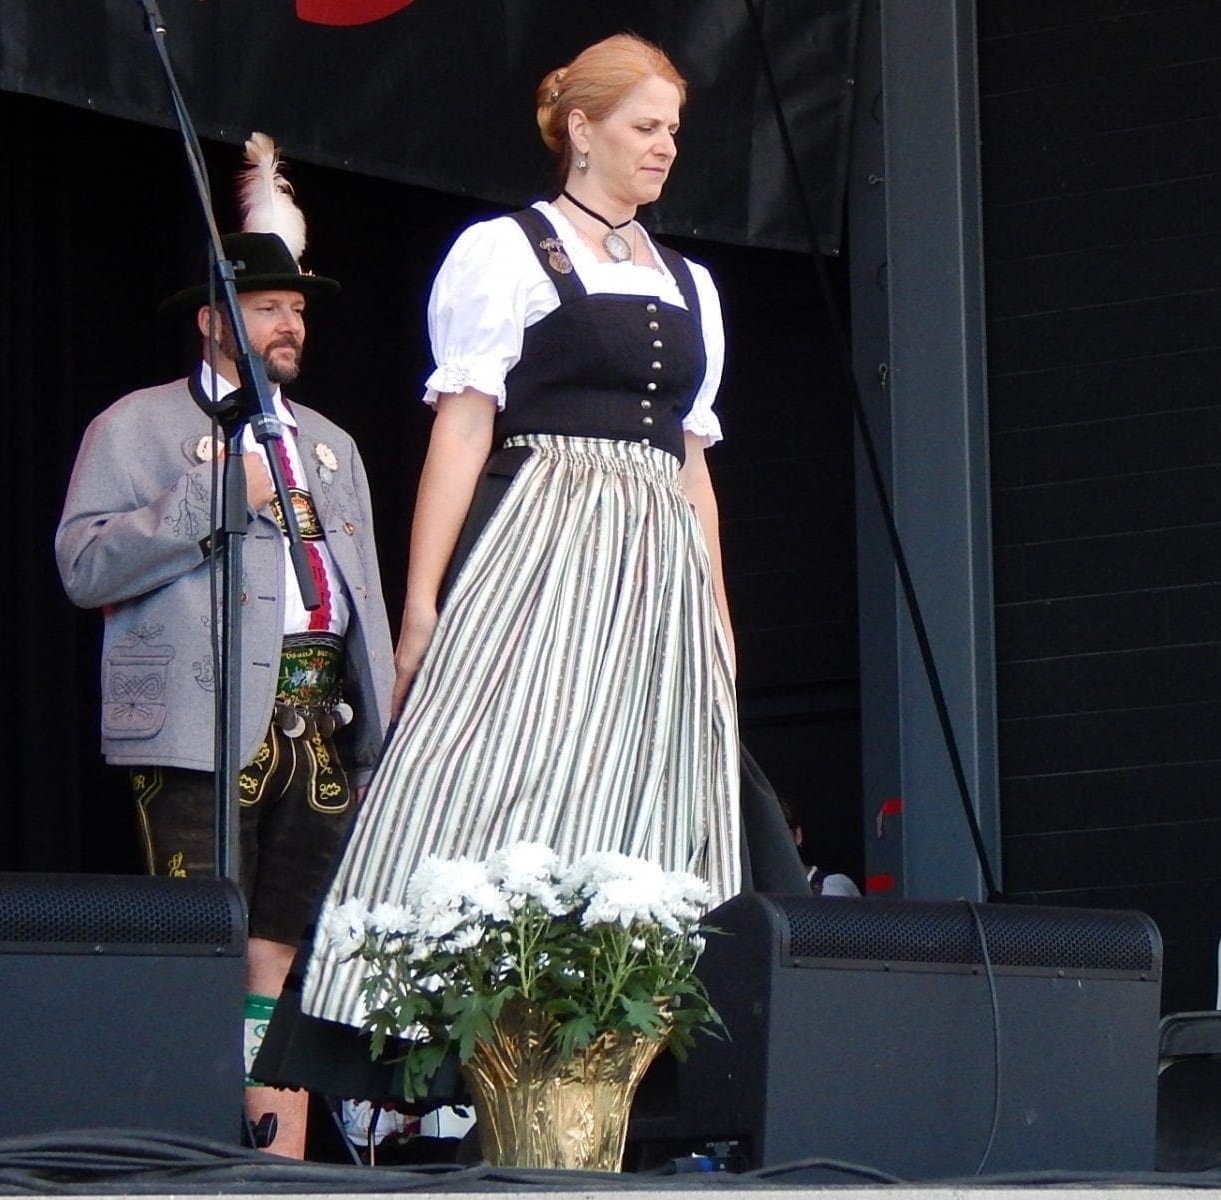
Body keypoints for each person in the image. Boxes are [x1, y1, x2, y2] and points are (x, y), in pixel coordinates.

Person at [264, 32, 740, 1096]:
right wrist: (422, 603)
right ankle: (434, 1041)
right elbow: (462, 433)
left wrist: (718, 612)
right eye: (643, 127)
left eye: (672, 130)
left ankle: (624, 1058)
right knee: (501, 769)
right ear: (582, 128)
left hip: (657, 553)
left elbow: (694, 468)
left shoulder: (690, 282)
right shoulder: (508, 250)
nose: (664, 147)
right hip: (544, 537)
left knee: (645, 784)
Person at [53, 135, 394, 1159]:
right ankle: (192, 1156)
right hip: (201, 724)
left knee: (278, 961)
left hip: (316, 721)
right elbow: (83, 566)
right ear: (214, 321)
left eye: (297, 309)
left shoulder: (331, 443)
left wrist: (385, 728)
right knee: (203, 948)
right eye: (268, 308)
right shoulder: (137, 427)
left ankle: (277, 1167)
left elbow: (362, 599)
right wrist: (215, 498)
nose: (292, 323)